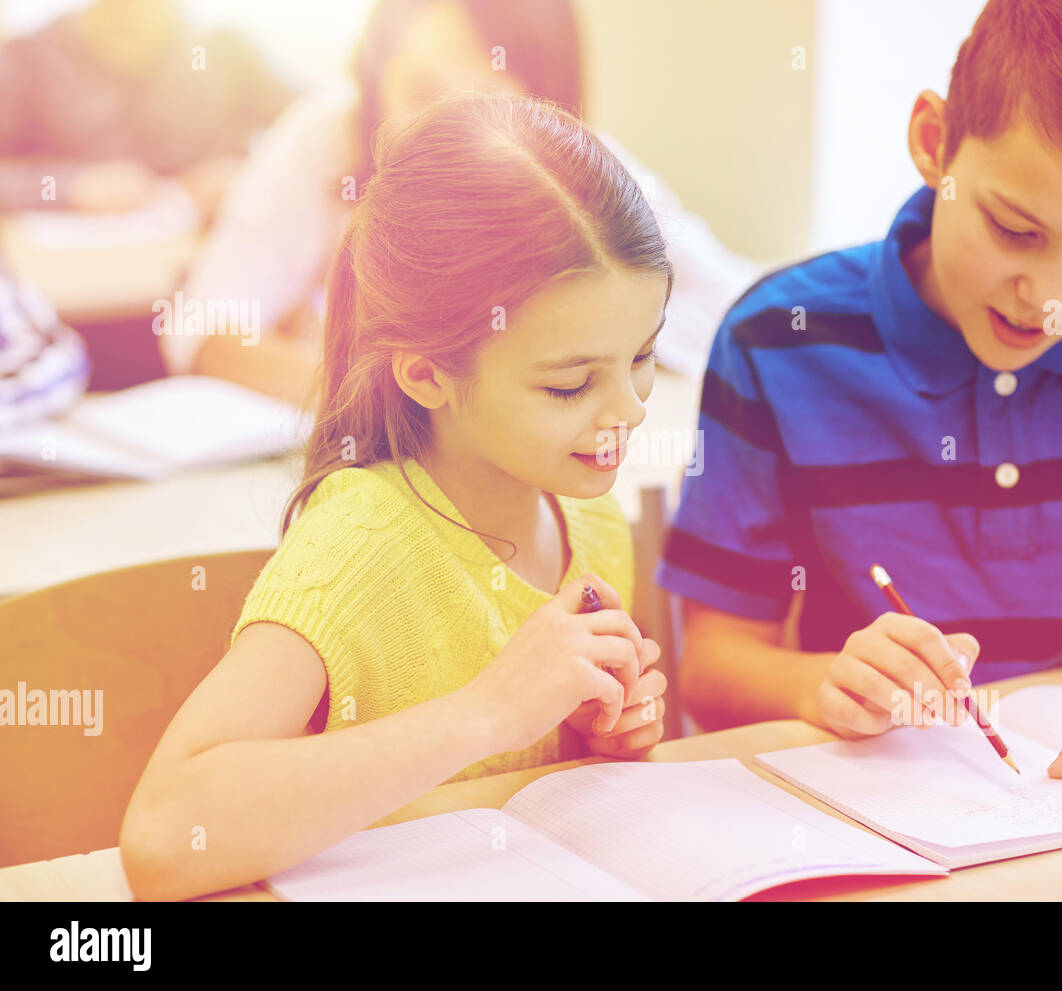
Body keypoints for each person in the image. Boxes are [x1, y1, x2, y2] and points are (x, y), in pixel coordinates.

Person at [654, 0, 1062, 747]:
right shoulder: (777, 341)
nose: (1050, 300)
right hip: (895, 802)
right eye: (1014, 230)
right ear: (935, 143)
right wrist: (820, 684)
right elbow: (711, 663)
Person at [120, 93, 671, 901]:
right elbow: (165, 836)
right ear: (425, 372)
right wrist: (488, 713)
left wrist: (607, 735)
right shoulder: (363, 541)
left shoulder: (586, 513)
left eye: (644, 355)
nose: (628, 410)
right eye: (570, 384)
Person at [169, 0, 757, 403]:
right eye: (420, 91)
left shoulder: (581, 168)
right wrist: (389, 403)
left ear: (540, 103)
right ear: (377, 80)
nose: (439, 132)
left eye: (480, 104)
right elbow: (204, 329)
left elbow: (737, 313)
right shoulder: (326, 140)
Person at [0, 0, 294, 222]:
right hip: (75, 284)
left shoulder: (226, 50)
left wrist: (252, 174)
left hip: (214, 272)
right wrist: (70, 187)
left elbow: (319, 135)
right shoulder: (29, 59)